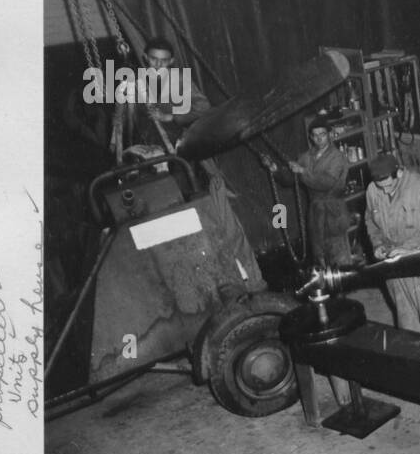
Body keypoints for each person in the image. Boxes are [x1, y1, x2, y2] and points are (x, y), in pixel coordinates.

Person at [138, 37, 265, 297]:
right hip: (162, 176)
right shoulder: (136, 87)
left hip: (195, 168)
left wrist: (172, 116)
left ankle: (255, 284)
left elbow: (204, 109)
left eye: (164, 61)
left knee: (227, 228)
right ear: (145, 58)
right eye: (153, 60)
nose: (158, 65)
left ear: (171, 62)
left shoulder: (180, 82)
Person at [363, 152, 420, 338]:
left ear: (399, 173)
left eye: (389, 186)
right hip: (394, 267)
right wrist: (377, 243)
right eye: (381, 187)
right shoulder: (372, 190)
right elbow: (370, 220)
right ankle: (417, 365)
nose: (385, 191)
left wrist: (414, 251)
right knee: (407, 327)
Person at [262, 114, 352, 268]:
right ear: (310, 137)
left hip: (334, 212)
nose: (319, 139)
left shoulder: (337, 157)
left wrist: (302, 171)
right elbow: (291, 179)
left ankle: (347, 287)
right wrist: (274, 169)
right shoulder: (305, 157)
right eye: (315, 135)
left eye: (322, 134)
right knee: (320, 257)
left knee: (339, 257)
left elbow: (326, 182)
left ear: (329, 135)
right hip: (315, 213)